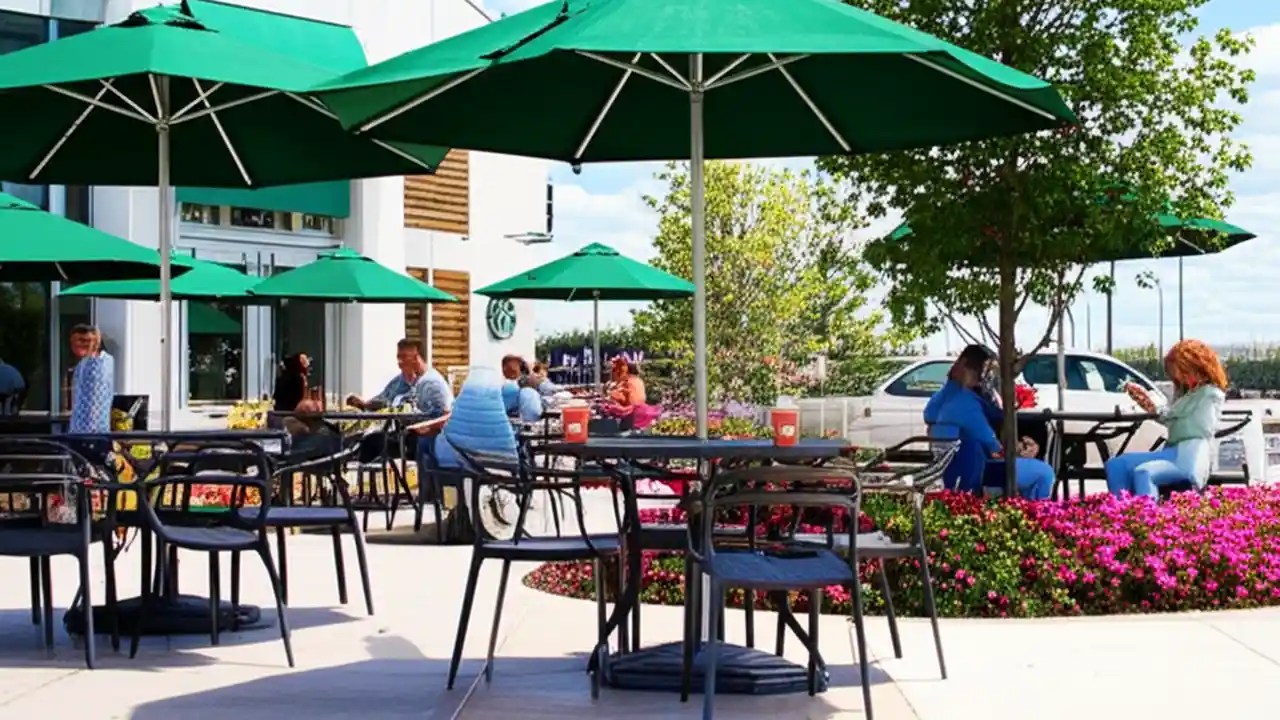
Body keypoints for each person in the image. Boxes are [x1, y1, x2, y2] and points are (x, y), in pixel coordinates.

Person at [923, 344, 1055, 500]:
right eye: (982, 372)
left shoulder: (938, 399)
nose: (983, 379)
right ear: (966, 367)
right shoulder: (966, 403)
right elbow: (994, 446)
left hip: (951, 472)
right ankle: (1034, 516)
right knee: (1044, 473)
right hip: (982, 474)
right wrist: (1020, 450)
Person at [1104, 339, 1227, 499]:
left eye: (1183, 372)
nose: (1180, 378)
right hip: (1172, 451)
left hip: (1191, 455)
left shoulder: (1210, 394)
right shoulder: (1186, 394)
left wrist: (1161, 411)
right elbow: (1172, 420)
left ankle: (1148, 517)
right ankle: (1121, 511)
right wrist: (1152, 407)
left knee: (1144, 472)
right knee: (1116, 465)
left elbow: (1199, 427)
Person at [346, 339, 452, 417]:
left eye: (404, 357)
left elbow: (442, 416)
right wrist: (364, 405)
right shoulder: (398, 382)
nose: (399, 362)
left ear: (417, 358)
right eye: (398, 357)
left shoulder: (432, 384)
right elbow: (384, 401)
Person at [66, 324, 115, 466]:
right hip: (79, 430)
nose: (77, 345)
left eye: (84, 340)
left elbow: (97, 363)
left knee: (95, 473)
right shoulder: (83, 364)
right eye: (74, 342)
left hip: (93, 432)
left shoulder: (101, 361)